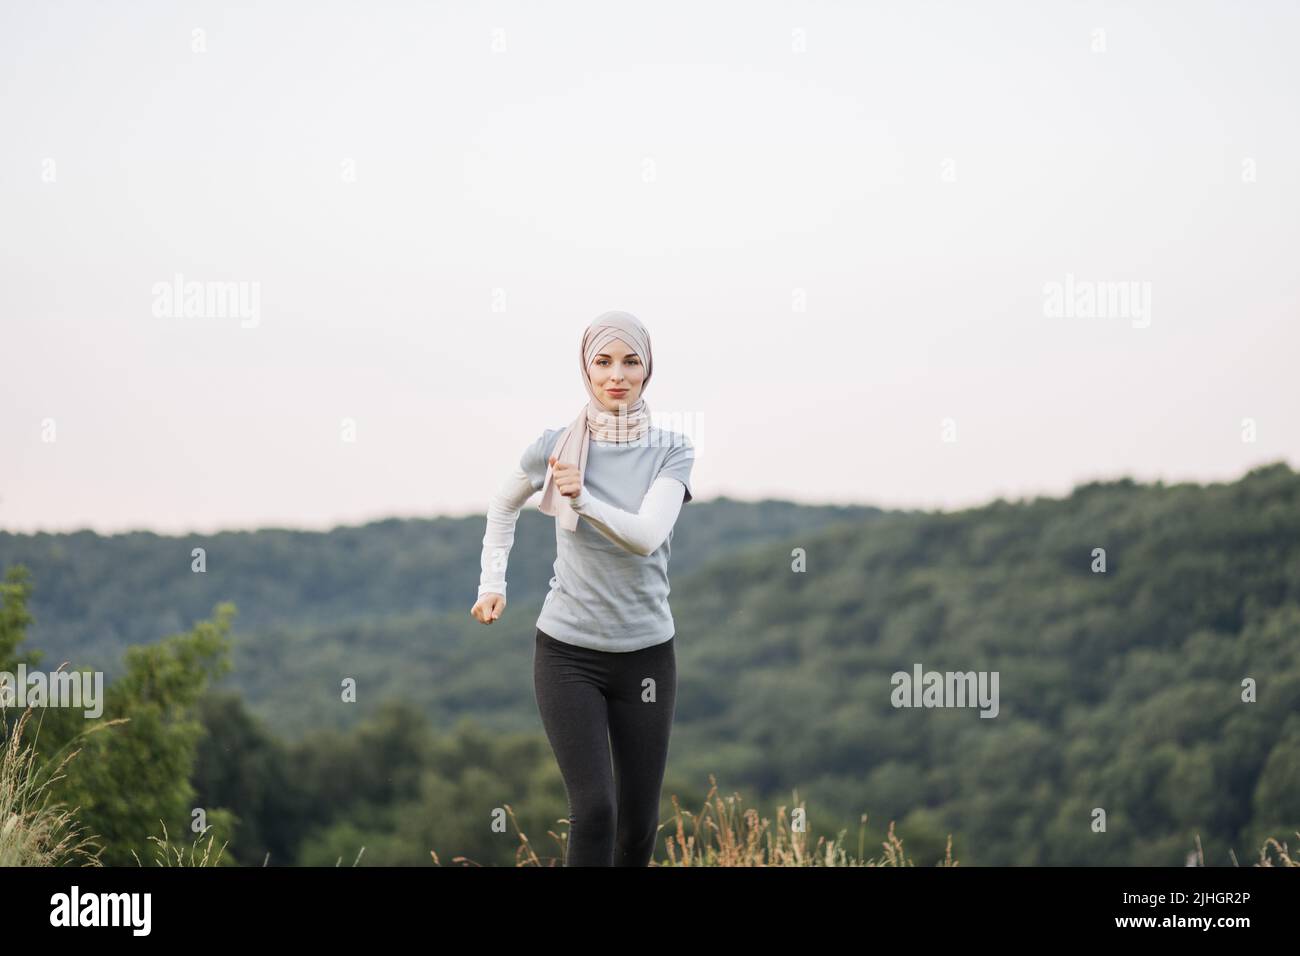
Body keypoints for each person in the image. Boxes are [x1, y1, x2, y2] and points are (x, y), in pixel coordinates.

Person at [469, 310, 696, 866]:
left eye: (630, 361)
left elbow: (644, 538)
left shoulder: (672, 449)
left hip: (645, 657)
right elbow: (503, 503)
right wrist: (491, 581)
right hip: (568, 653)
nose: (616, 374)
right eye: (603, 361)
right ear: (585, 369)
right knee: (596, 810)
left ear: (647, 371)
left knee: (638, 827)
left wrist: (582, 501)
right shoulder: (555, 446)